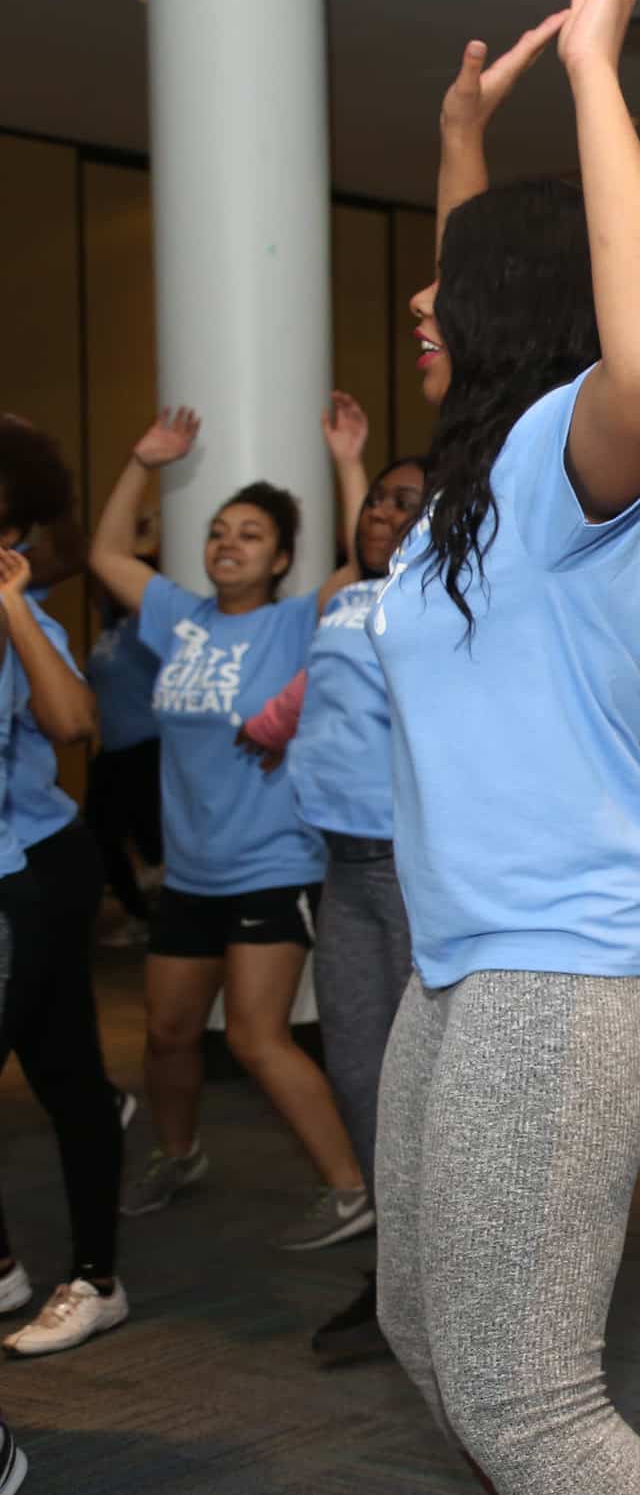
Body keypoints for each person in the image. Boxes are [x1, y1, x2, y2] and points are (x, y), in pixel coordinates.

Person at [367, 0, 640, 1495]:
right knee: (419, 1334)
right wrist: (456, 142)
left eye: (452, 293)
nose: (423, 308)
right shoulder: (468, 482)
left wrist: (595, 70)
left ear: (515, 313)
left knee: (524, 1390)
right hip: (466, 954)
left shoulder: (577, 465)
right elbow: (487, 285)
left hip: (570, 950)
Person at [88, 402, 368, 1246]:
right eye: (217, 531)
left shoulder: (294, 623)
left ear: (281, 557)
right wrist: (143, 460)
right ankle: (179, 1154)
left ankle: (352, 1187)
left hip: (273, 862)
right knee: (169, 1034)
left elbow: (366, 566)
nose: (228, 543)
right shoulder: (179, 618)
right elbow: (105, 555)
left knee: (254, 1035)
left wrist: (348, 463)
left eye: (250, 533)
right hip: (191, 870)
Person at [230, 435, 430, 1359]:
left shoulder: (442, 610)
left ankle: (444, 1286)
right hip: (342, 868)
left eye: (406, 503)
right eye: (376, 501)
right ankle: (397, 1278)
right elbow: (320, 684)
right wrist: (272, 725)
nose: (385, 514)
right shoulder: (346, 600)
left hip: (415, 868)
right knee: (357, 1071)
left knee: (422, 1081)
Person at [0, 417, 126, 1358]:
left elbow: (74, 718)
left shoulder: (23, 609)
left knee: (69, 1077)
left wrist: (12, 607)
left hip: (34, 871)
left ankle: (95, 1277)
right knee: (65, 1070)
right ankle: (9, 1265)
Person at [83, 598, 163, 942]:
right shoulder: (109, 629)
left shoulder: (147, 624)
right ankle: (140, 914)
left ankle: (157, 916)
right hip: (113, 749)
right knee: (100, 835)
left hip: (149, 744)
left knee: (153, 840)